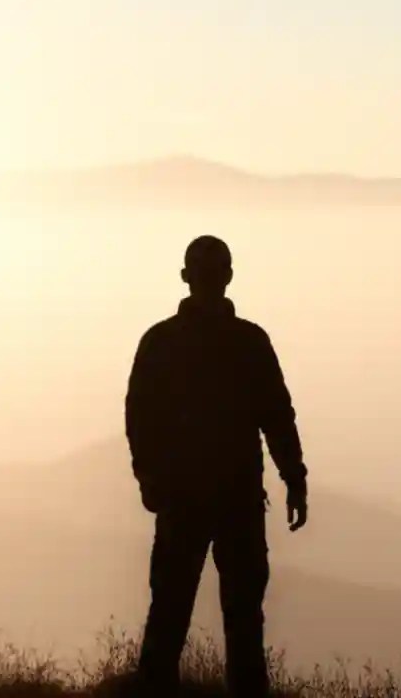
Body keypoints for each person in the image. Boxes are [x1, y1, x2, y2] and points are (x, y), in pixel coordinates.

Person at [125, 235, 308, 697]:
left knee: (170, 615)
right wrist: (294, 478)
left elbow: (139, 418)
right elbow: (277, 417)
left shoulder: (162, 342)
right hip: (233, 501)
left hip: (193, 500)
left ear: (187, 277)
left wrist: (150, 480)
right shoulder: (248, 341)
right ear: (226, 276)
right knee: (240, 620)